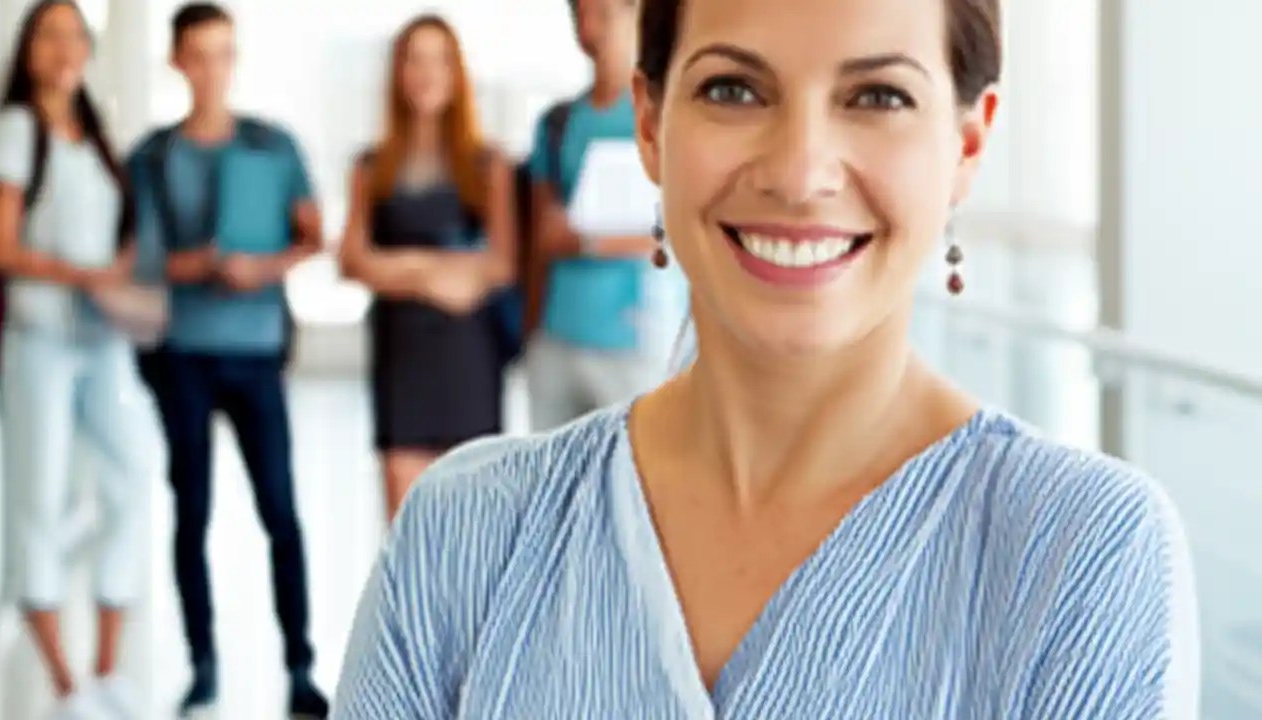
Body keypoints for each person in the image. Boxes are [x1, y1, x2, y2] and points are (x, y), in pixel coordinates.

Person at [332, 0, 1201, 716]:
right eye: (733, 88)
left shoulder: (1087, 553)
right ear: (650, 124)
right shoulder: (463, 534)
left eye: (879, 97)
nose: (798, 171)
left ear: (968, 144)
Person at [126, 3, 329, 717]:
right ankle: (202, 664)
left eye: (225, 53)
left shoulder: (275, 147)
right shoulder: (151, 156)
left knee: (280, 509)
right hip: (184, 353)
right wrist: (205, 263)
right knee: (192, 512)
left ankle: (300, 667)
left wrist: (266, 265)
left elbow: (313, 236)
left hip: (256, 350)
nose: (213, 69)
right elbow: (144, 263)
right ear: (178, 63)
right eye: (199, 55)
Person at [0, 1, 153, 717]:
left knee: (134, 478)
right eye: (48, 35)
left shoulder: (95, 134)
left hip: (101, 342)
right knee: (39, 503)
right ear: (29, 51)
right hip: (42, 342)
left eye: (74, 34)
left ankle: (107, 667)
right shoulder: (19, 129)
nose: (63, 48)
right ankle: (64, 684)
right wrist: (84, 275)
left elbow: (110, 232)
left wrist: (116, 270)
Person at [338, 15, 516, 525]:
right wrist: (427, 271)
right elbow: (352, 259)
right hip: (402, 357)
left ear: (456, 72)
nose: (426, 72)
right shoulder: (372, 166)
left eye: (439, 59)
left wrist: (397, 267)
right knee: (406, 526)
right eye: (414, 59)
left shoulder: (487, 165)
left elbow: (500, 264)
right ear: (397, 72)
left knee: (477, 528)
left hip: (467, 359)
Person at [523, 0, 688, 432]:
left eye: (602, 13)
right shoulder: (557, 123)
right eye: (580, 14)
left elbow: (680, 231)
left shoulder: (667, 117)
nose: (590, 26)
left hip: (636, 338)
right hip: (557, 336)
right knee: (551, 483)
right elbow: (544, 236)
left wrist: (588, 241)